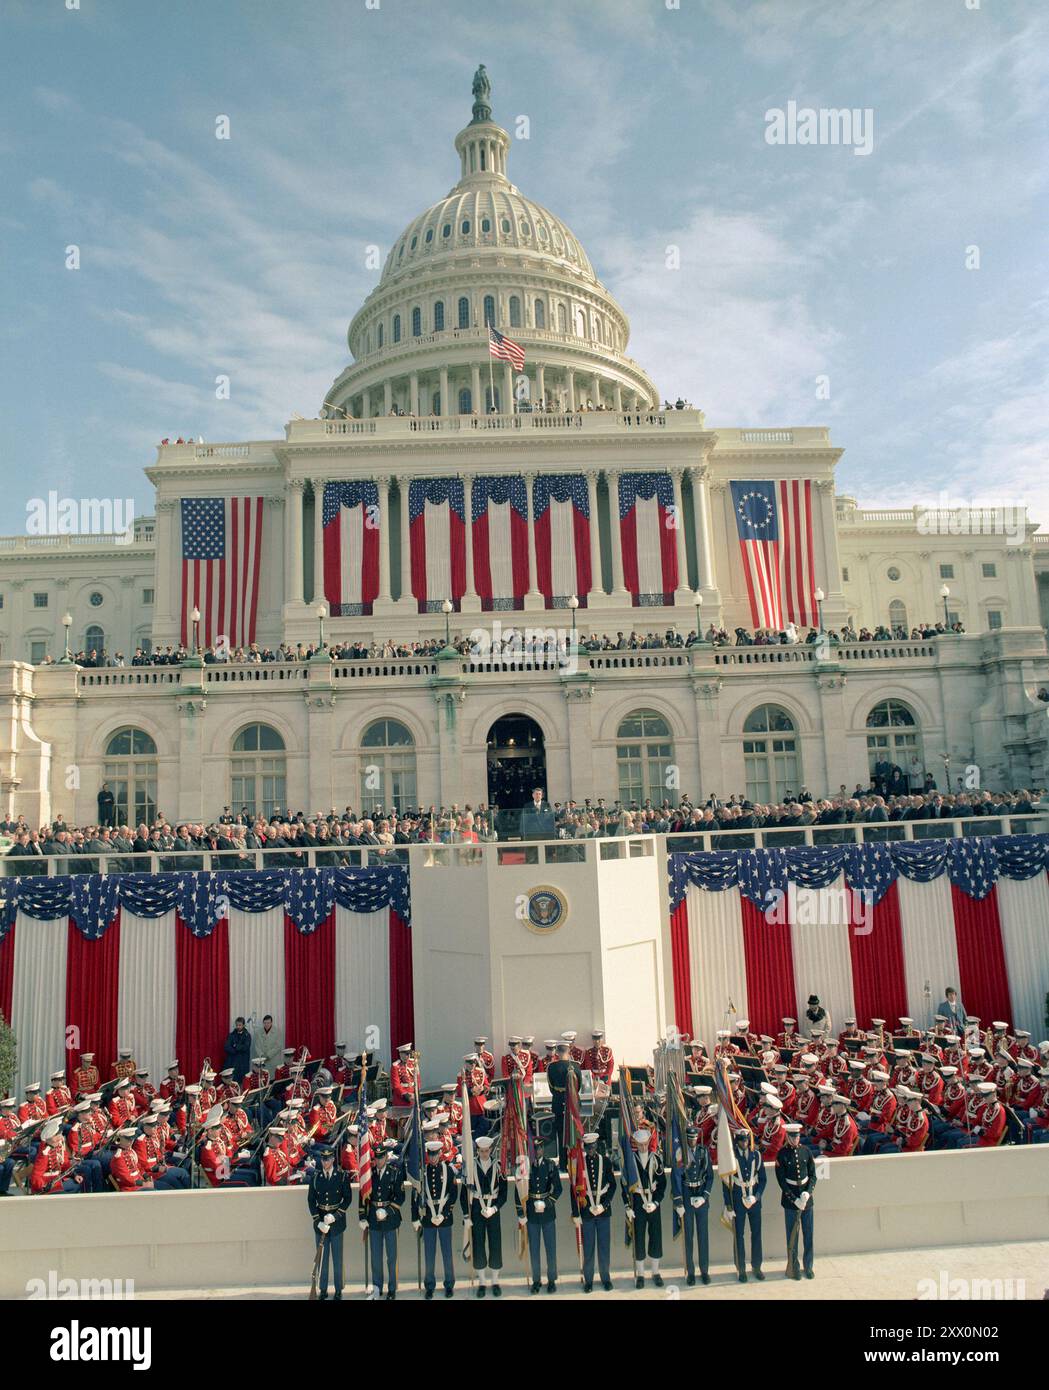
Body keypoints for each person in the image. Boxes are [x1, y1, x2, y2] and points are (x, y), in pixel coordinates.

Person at [516, 1117, 562, 1293]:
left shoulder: (551, 1166)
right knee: (534, 1249)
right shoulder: (525, 1167)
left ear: (544, 1148)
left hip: (547, 1212)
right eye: (535, 1148)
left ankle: (551, 1280)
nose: (538, 1151)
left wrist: (548, 1202)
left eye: (540, 1147)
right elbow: (519, 1190)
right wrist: (522, 1213)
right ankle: (536, 1281)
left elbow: (558, 1189)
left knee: (550, 1248)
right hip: (532, 1213)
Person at [461, 1133, 507, 1297]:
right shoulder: (470, 1167)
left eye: (487, 1151)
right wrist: (466, 1216)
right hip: (477, 1211)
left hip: (493, 1210)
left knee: (495, 1244)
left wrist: (494, 1208)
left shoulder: (499, 1166)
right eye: (481, 1151)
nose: (484, 1154)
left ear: (491, 1150)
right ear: (477, 1151)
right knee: (478, 1245)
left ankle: (495, 1281)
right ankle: (482, 1282)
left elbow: (504, 1193)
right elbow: (463, 1193)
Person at [414, 1138, 460, 1299]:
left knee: (447, 1253)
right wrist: (417, 1218)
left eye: (435, 1154)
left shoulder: (448, 1170)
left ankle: (449, 1284)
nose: (432, 1157)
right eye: (430, 1154)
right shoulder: (423, 1172)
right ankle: (429, 1285)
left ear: (440, 1153)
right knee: (429, 1254)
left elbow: (453, 1194)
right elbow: (417, 1196)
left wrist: (444, 1213)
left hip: (444, 1217)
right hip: (428, 1218)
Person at [361, 1139, 405, 1300]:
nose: (378, 1161)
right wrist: (362, 1216)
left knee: (391, 1257)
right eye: (376, 1158)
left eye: (381, 1157)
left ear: (386, 1157)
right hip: (373, 1218)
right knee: (376, 1257)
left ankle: (392, 1288)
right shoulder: (369, 1174)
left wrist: (388, 1211)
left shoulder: (394, 1172)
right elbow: (363, 1195)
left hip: (390, 1219)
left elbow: (400, 1197)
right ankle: (377, 1287)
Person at [308, 1143, 353, 1300]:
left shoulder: (341, 1176)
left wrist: (336, 1215)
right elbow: (311, 1200)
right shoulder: (316, 1178)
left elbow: (348, 1198)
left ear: (333, 1159)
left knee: (337, 1258)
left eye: (327, 1159)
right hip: (321, 1224)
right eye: (323, 1159)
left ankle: (339, 1289)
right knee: (322, 1259)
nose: (325, 1162)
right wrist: (317, 1220)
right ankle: (323, 1289)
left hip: (337, 1222)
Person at [623, 1126, 666, 1288]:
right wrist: (627, 1206)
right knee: (639, 1237)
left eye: (645, 1144)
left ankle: (655, 1272)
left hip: (653, 1204)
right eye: (639, 1144)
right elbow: (625, 1185)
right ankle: (640, 1274)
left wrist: (656, 1202)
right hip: (638, 1205)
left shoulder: (656, 1159)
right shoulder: (631, 1161)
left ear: (649, 1143)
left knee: (656, 1236)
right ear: (635, 1144)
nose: (642, 1147)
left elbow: (662, 1184)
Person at [573, 1132, 614, 1293]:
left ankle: (606, 1278)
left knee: (604, 1248)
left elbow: (612, 1185)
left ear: (597, 1146)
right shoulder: (580, 1164)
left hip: (603, 1212)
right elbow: (575, 1189)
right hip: (588, 1212)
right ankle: (588, 1281)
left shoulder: (606, 1162)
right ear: (585, 1147)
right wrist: (582, 1209)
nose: (591, 1150)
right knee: (588, 1248)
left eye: (593, 1147)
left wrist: (604, 1205)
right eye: (588, 1148)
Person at [775, 1122, 817, 1279]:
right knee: (792, 1236)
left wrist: (808, 1193)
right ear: (787, 1137)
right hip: (790, 1199)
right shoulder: (782, 1154)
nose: (795, 1139)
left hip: (806, 1199)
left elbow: (813, 1175)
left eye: (798, 1136)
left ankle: (809, 1266)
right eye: (792, 1137)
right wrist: (793, 1199)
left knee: (808, 1234)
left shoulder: (806, 1151)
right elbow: (781, 1181)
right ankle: (794, 1267)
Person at [675, 1125, 713, 1286]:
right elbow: (676, 1177)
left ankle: (704, 1271)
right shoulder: (681, 1153)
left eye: (694, 1138)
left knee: (703, 1236)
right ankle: (690, 1272)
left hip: (701, 1195)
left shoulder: (703, 1152)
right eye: (689, 1139)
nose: (692, 1141)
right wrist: (679, 1201)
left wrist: (704, 1196)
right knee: (688, 1236)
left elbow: (710, 1176)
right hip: (687, 1194)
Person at [728, 1127, 765, 1282]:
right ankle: (741, 1268)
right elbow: (727, 1184)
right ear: (737, 1141)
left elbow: (762, 1179)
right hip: (738, 1200)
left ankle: (757, 1266)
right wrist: (728, 1205)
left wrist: (756, 1197)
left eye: (746, 1140)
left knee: (756, 1234)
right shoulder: (731, 1157)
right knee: (739, 1235)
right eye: (741, 1140)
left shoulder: (756, 1155)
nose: (744, 1143)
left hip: (754, 1201)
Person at [224, 1017, 253, 1082]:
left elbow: (246, 1047)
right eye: (237, 1025)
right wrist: (236, 1050)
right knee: (233, 1081)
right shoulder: (232, 1034)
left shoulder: (247, 1035)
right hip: (233, 1062)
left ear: (243, 1025)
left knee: (243, 1081)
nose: (238, 1027)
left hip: (243, 1062)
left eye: (240, 1025)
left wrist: (235, 1046)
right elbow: (226, 1047)